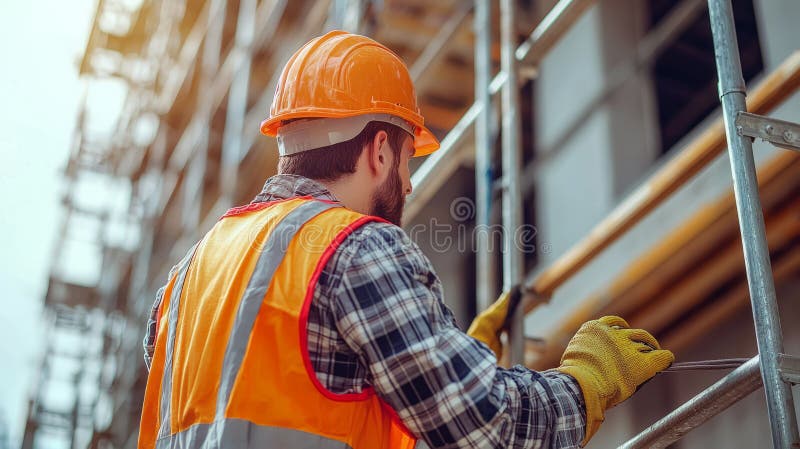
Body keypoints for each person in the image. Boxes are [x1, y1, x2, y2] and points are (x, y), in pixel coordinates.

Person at [138, 30, 674, 449]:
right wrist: (584, 385)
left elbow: (283, 406)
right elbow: (487, 430)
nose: (411, 182)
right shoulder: (355, 248)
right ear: (378, 151)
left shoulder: (183, 283)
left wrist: (441, 357)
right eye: (408, 158)